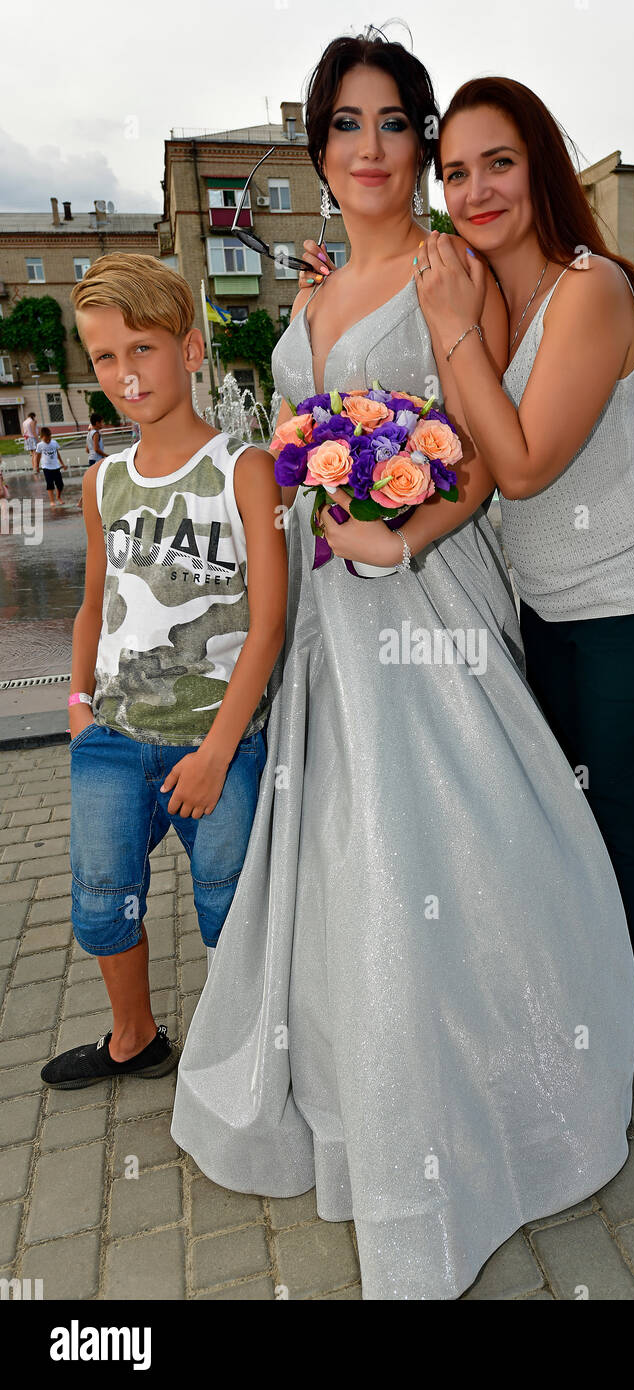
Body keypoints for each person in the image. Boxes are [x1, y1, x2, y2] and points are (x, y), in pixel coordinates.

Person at [171, 33, 634, 1302]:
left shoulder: (451, 269)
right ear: (318, 147)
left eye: (392, 125)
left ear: (412, 144)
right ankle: (345, 1080)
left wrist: (402, 533)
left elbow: (485, 457)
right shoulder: (308, 298)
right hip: (332, 619)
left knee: (445, 840)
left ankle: (482, 1091)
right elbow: (284, 443)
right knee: (339, 842)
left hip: (424, 598)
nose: (369, 149)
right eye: (346, 126)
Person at [419, 74, 634, 1016]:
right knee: (562, 797)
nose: (477, 190)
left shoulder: (593, 288)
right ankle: (588, 968)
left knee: (621, 799)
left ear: (541, 167)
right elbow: (471, 448)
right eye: (455, 174)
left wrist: (453, 331)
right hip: (545, 606)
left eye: (499, 162)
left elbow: (526, 464)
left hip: (629, 604)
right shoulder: (496, 295)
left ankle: (632, 981)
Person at [39, 252, 287, 1091]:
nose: (123, 374)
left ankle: (244, 1054)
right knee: (103, 900)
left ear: (188, 350)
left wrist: (218, 751)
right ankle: (134, 1038)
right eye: (105, 357)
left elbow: (266, 626)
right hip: (112, 736)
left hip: (214, 744)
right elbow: (91, 604)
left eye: (140, 349)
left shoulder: (242, 471)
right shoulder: (104, 480)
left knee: (230, 906)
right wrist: (79, 709)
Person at [78, 412, 108, 511]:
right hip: (97, 460)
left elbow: (87, 449)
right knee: (97, 480)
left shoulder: (89, 433)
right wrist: (107, 456)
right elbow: (96, 448)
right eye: (101, 422)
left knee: (92, 481)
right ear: (97, 423)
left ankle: (82, 501)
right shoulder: (96, 434)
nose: (103, 424)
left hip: (91, 459)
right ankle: (84, 501)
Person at [35, 426, 67, 506]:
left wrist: (62, 464)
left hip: (56, 466)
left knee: (60, 484)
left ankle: (58, 497)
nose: (48, 440)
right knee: (50, 484)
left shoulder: (54, 443)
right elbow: (38, 456)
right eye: (46, 439)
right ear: (42, 437)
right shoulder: (40, 445)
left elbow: (57, 454)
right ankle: (52, 501)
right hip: (46, 467)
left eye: (49, 438)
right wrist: (37, 466)